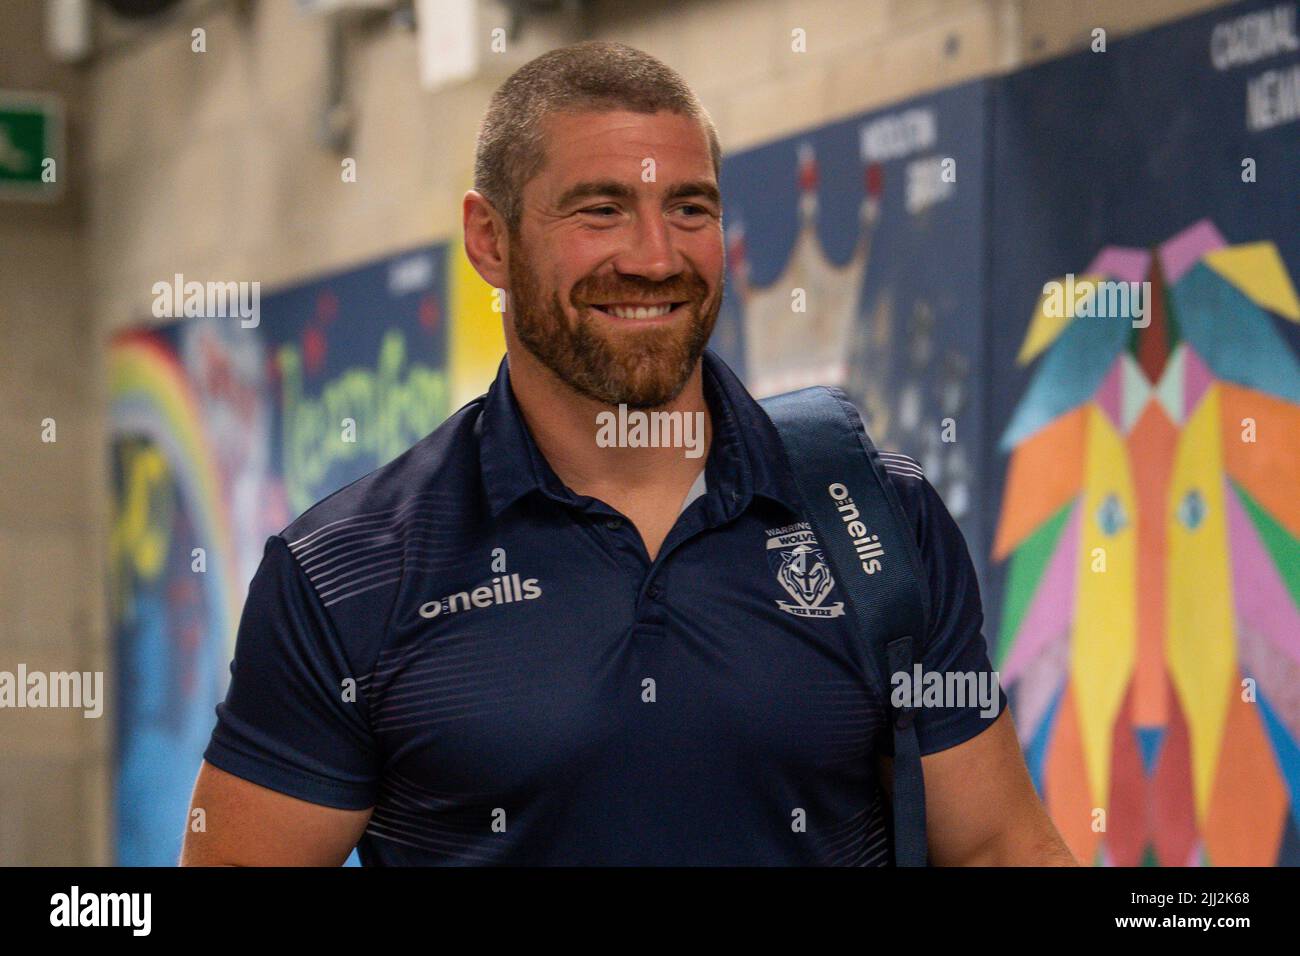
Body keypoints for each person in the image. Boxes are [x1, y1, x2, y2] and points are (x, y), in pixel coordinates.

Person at [181, 40, 1075, 866]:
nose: (655, 257)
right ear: (489, 240)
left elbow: (998, 846)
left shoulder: (880, 518)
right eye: (601, 209)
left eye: (689, 208)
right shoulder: (347, 575)